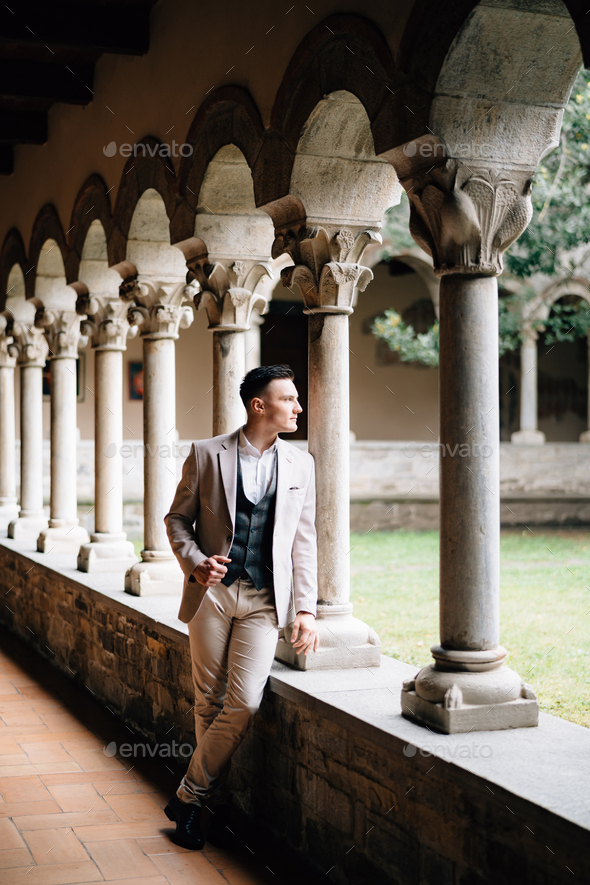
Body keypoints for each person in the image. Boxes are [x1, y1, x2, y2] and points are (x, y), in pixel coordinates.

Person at [163, 364, 319, 851]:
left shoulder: (301, 464)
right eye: (289, 399)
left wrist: (307, 609)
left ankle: (188, 798)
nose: (297, 406)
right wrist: (195, 563)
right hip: (211, 595)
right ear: (259, 406)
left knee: (245, 701)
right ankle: (211, 801)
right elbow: (176, 520)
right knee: (208, 702)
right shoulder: (207, 454)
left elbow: (304, 540)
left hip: (264, 600)